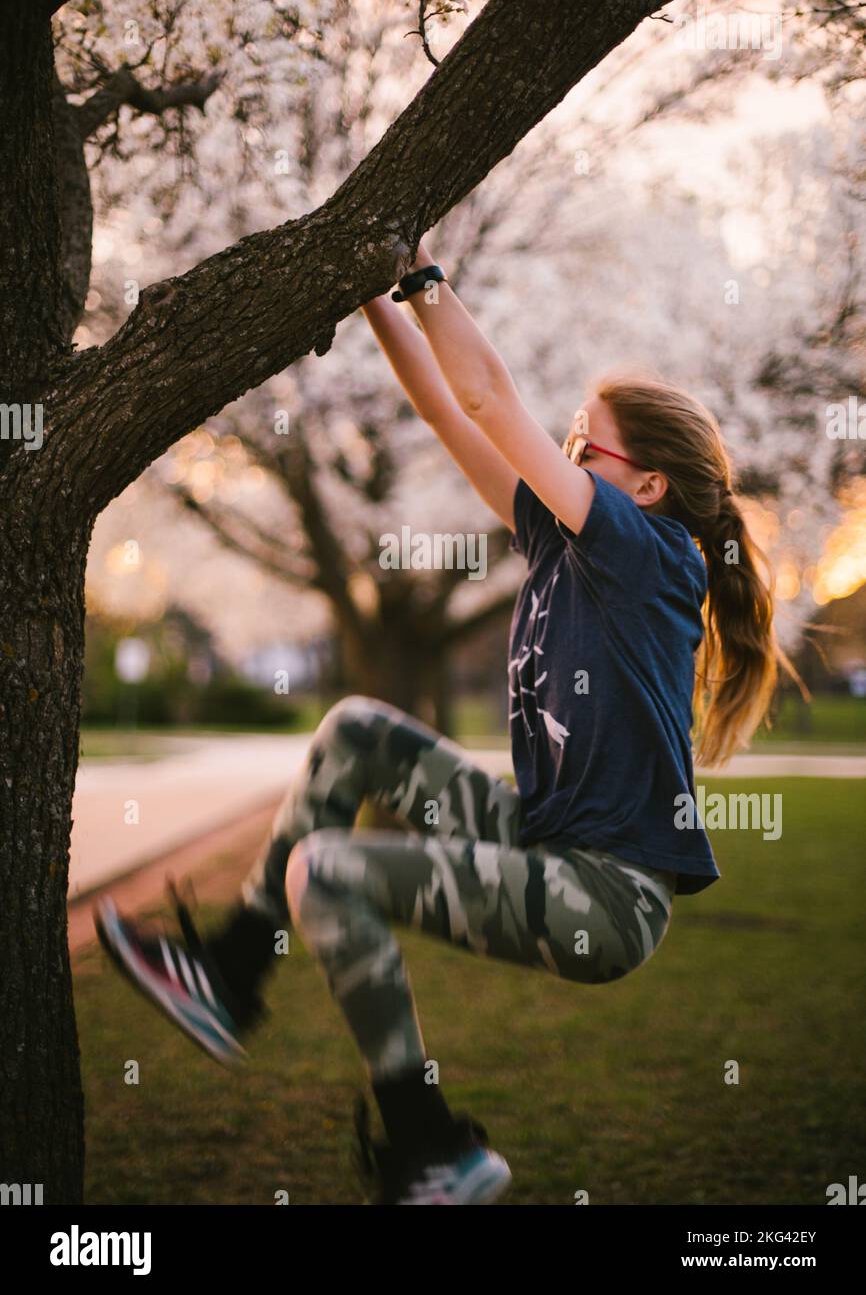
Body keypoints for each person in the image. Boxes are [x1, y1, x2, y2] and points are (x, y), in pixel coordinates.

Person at [95, 237, 789, 1205]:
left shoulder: (651, 555)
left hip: (605, 898)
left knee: (327, 873)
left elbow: (487, 398)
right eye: (567, 436)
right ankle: (232, 971)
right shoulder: (564, 539)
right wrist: (366, 288)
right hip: (546, 844)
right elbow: (445, 407)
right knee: (355, 729)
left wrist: (420, 277)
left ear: (646, 486)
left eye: (583, 445)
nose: (562, 451)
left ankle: (429, 1143)